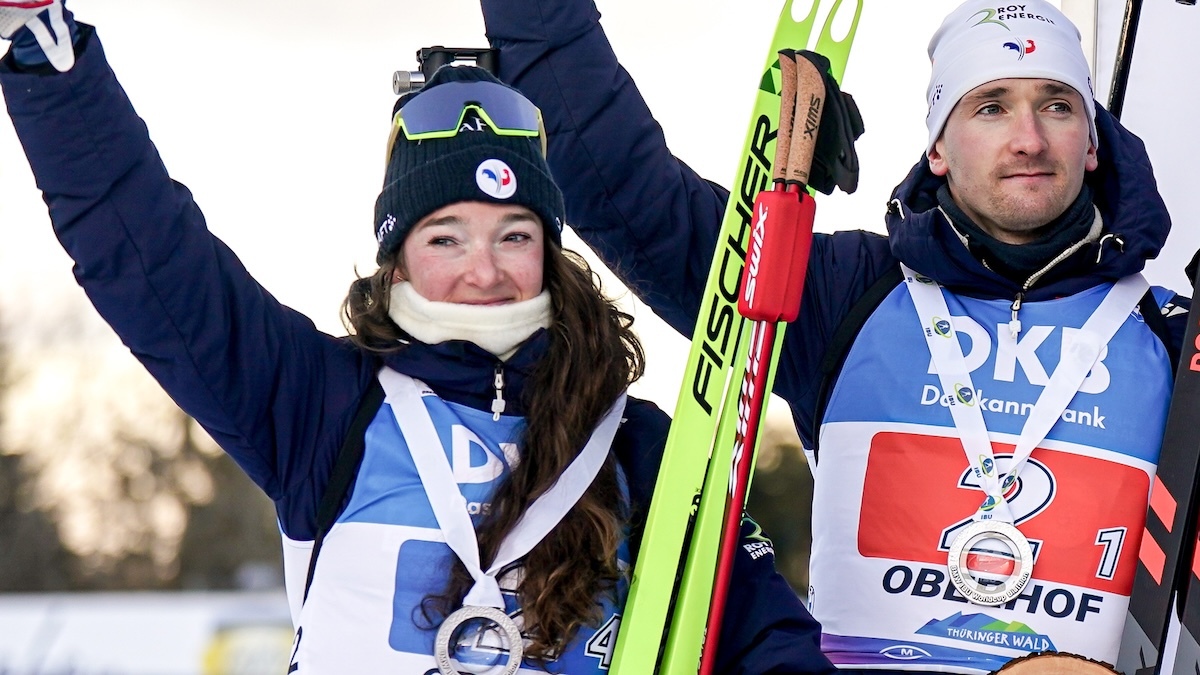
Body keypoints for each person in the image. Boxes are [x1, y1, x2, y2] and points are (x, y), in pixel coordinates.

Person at [0, 2, 839, 673]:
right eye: (447, 237)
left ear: (550, 251)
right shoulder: (322, 404)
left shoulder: (636, 442)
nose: (487, 269)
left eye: (516, 234)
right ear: (395, 260)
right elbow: (150, 259)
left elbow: (764, 630)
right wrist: (49, 57)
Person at [479, 0, 1189, 672]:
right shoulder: (845, 292)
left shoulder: (1176, 339)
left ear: (1093, 143)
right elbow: (630, 193)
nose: (1028, 138)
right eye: (991, 106)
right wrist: (537, 23)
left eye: (1057, 106)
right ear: (939, 146)